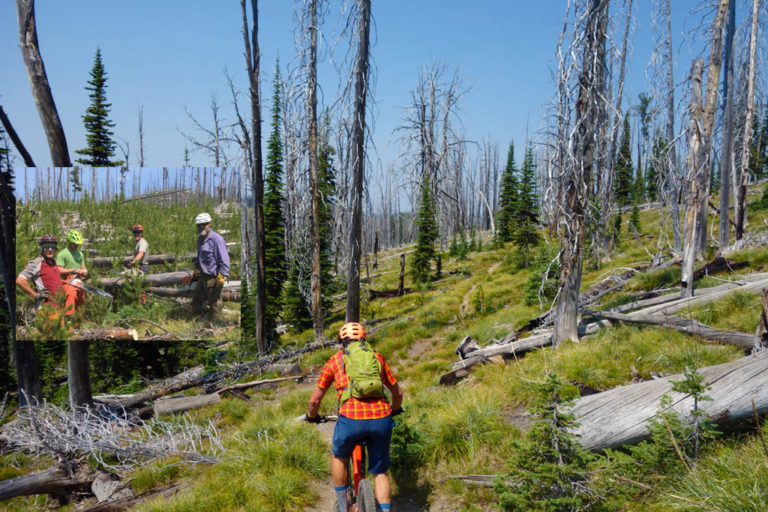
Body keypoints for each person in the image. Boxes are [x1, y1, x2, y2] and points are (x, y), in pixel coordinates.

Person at [306, 322, 404, 512]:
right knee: (380, 471)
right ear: (363, 339)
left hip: (351, 418)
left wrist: (312, 416)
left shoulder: (336, 360)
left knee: (339, 455)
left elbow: (314, 400)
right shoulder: (377, 358)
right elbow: (397, 393)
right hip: (381, 418)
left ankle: (343, 505)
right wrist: (394, 410)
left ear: (341, 342)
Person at [16, 235, 81, 319]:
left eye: (52, 247)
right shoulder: (37, 263)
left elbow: (52, 280)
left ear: (55, 249)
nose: (50, 249)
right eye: (47, 247)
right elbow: (20, 280)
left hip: (58, 306)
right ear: (42, 248)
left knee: (62, 331)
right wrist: (36, 295)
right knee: (50, 331)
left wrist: (67, 282)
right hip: (46, 308)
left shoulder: (54, 262)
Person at [192, 212, 230, 320]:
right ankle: (199, 321)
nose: (201, 227)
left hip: (214, 277)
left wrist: (222, 275)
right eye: (199, 225)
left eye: (203, 224)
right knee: (197, 300)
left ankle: (217, 325)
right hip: (203, 276)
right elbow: (199, 256)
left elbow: (224, 259)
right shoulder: (201, 239)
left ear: (209, 224)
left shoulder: (217, 239)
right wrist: (196, 268)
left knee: (215, 303)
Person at [57, 229, 88, 308]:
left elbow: (83, 267)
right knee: (71, 294)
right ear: (70, 242)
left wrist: (84, 272)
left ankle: (79, 317)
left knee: (82, 298)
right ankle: (69, 316)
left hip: (78, 280)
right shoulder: (62, 254)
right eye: (74, 243)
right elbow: (59, 270)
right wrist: (74, 270)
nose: (76, 245)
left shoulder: (80, 254)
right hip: (66, 281)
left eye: (77, 244)